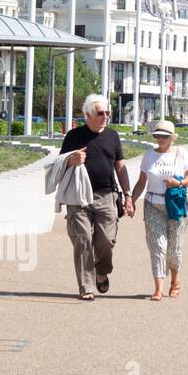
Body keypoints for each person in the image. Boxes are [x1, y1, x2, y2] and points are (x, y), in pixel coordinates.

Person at [61, 94, 131, 300]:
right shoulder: (73, 137)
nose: (105, 116)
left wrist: (128, 195)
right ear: (88, 115)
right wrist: (71, 159)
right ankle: (86, 286)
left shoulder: (112, 136)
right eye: (100, 113)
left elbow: (120, 167)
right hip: (78, 197)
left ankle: (102, 271)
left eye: (107, 113)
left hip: (106, 195)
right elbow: (57, 166)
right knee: (82, 240)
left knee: (106, 241)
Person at [129, 120, 188, 301]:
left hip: (175, 205)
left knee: (173, 249)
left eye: (164, 136)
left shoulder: (181, 154)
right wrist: (132, 201)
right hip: (153, 204)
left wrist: (179, 183)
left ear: (172, 138)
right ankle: (158, 288)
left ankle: (175, 281)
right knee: (158, 246)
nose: (160, 139)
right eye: (157, 136)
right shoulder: (149, 156)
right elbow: (141, 182)